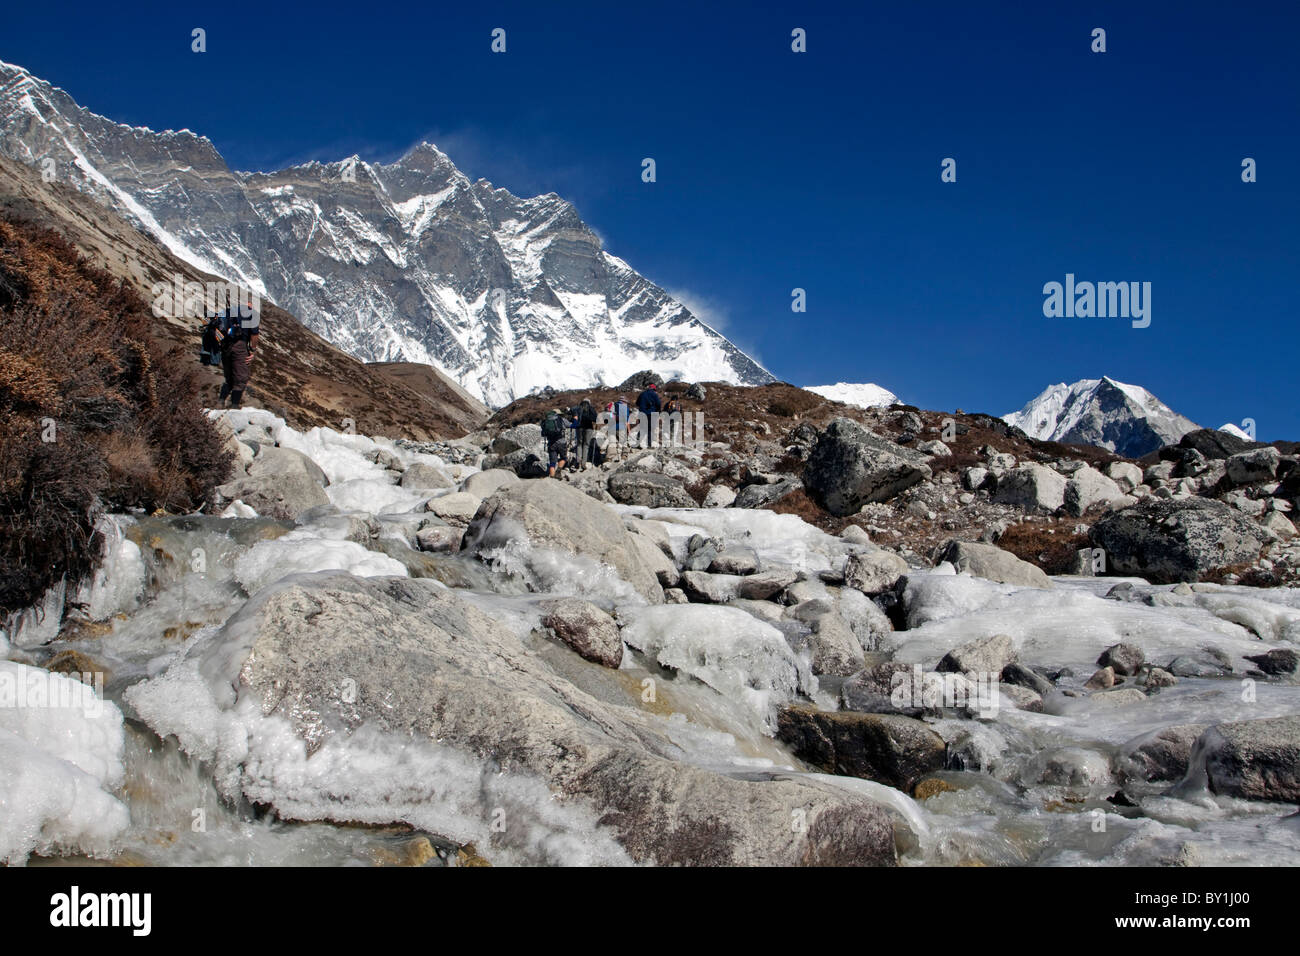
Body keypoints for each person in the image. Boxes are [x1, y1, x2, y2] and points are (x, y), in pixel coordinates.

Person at [212, 294, 260, 409]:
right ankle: (234, 405)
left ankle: (221, 401)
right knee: (241, 377)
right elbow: (254, 334)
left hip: (225, 346)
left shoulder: (228, 311)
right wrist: (252, 350)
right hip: (239, 346)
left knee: (229, 378)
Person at [541, 408, 569, 478]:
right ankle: (558, 471)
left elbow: (543, 433)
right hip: (561, 442)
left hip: (551, 443)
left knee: (552, 462)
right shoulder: (562, 420)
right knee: (564, 458)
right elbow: (571, 425)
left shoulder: (545, 421)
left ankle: (552, 479)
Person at [574, 398, 599, 468]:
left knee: (579, 444)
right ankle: (583, 463)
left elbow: (573, 417)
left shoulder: (578, 408)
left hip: (579, 428)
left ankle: (578, 461)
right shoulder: (591, 408)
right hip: (588, 427)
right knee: (586, 445)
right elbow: (596, 418)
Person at [635, 383, 662, 447]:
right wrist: (657, 410)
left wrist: (642, 407)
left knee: (642, 427)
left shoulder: (642, 394)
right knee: (650, 429)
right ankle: (649, 444)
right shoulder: (655, 394)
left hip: (642, 413)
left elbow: (637, 403)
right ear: (654, 389)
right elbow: (658, 403)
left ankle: (638, 441)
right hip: (652, 414)